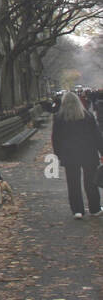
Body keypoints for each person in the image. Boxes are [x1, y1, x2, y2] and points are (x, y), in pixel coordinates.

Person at [51, 90, 103, 219]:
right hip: (88, 153)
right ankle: (95, 208)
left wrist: (59, 154)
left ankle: (77, 210)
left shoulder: (59, 118)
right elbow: (97, 136)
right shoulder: (88, 116)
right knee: (91, 182)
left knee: (73, 182)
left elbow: (55, 138)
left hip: (69, 154)